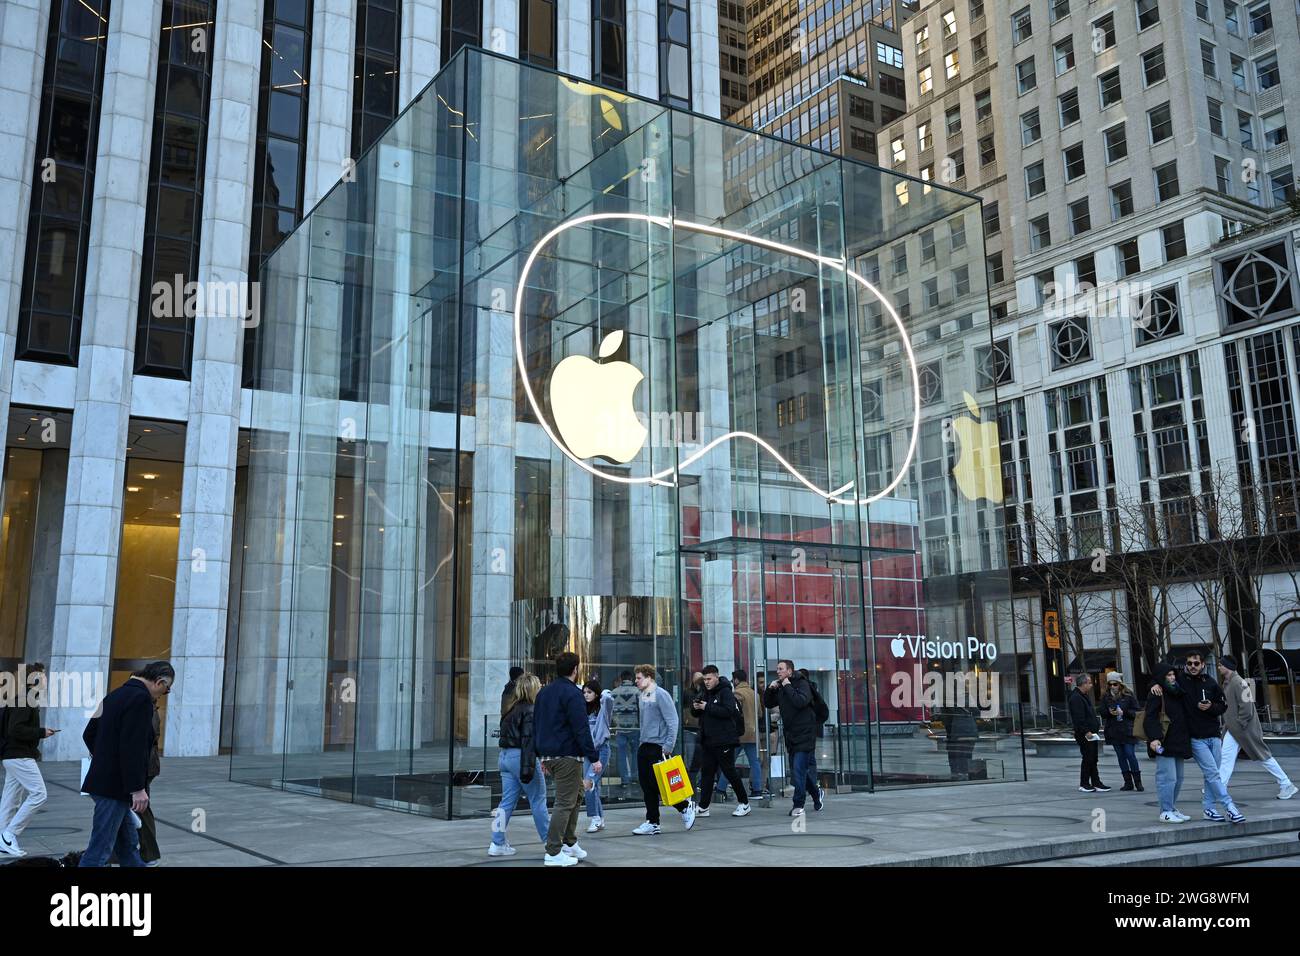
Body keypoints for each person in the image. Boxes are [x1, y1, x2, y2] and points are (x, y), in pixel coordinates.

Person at [80, 661, 174, 868]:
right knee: (99, 852)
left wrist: (105, 758)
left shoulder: (113, 695)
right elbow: (133, 747)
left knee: (128, 848)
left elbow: (89, 733)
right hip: (116, 787)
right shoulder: (141, 700)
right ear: (159, 682)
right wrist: (137, 788)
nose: (162, 695)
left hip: (106, 783)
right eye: (166, 690)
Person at [533, 652, 602, 866]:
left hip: (551, 755)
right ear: (575, 669)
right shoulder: (573, 694)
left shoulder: (544, 693)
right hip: (567, 756)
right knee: (565, 802)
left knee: (576, 795)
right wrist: (594, 757)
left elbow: (537, 724)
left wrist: (541, 756)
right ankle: (553, 851)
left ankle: (569, 842)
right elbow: (581, 729)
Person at [1170, 649, 1242, 823]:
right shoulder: (1180, 680)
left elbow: (1222, 705)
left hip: (1214, 735)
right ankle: (1229, 807)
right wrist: (1156, 685)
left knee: (1212, 774)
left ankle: (1208, 808)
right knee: (1212, 773)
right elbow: (1162, 679)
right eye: (1189, 663)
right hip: (1195, 737)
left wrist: (1210, 707)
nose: (1192, 666)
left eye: (1196, 663)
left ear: (1203, 664)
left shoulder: (1210, 682)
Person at [1217, 655, 1296, 800]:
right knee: (1226, 758)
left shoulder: (1239, 682)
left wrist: (1239, 724)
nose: (1219, 667)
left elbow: (1247, 708)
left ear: (1227, 666)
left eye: (1221, 665)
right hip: (1235, 729)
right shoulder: (1229, 682)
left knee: (1263, 757)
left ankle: (1286, 783)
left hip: (1244, 729)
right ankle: (1219, 789)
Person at [489, 672, 549, 857]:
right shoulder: (531, 710)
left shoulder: (510, 709)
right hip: (521, 756)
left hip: (505, 757)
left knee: (505, 802)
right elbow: (529, 742)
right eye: (538, 686)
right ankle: (551, 843)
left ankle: (496, 842)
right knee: (538, 799)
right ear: (533, 689)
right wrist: (537, 762)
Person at [631, 664, 696, 834]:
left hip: (658, 746)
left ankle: (684, 807)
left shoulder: (661, 694)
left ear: (649, 677)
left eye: (639, 678)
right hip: (645, 745)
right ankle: (653, 822)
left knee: (659, 783)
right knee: (647, 786)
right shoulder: (643, 696)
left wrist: (668, 745)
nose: (636, 681)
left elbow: (673, 720)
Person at [0, 663, 56, 858]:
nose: (46, 681)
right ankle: (9, 835)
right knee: (39, 794)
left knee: (10, 800)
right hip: (19, 756)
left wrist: (41, 732)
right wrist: (41, 732)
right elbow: (15, 729)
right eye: (44, 677)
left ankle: (2, 840)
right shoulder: (25, 700)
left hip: (13, 756)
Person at [691, 665, 752, 819]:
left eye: (709, 679)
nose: (706, 682)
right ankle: (703, 807)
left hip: (724, 740)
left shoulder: (726, 691)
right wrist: (696, 707)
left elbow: (728, 711)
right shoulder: (705, 692)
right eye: (704, 679)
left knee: (729, 771)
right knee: (707, 774)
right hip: (708, 740)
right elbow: (698, 713)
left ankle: (744, 803)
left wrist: (707, 707)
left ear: (717, 677)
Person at [763, 659, 821, 816]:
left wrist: (787, 685)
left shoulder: (802, 684)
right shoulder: (781, 687)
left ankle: (798, 805)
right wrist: (770, 689)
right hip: (791, 735)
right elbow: (768, 703)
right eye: (777, 669)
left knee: (798, 769)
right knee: (799, 772)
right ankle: (816, 795)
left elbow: (800, 701)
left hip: (805, 734)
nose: (778, 671)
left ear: (790, 671)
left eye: (781, 669)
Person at [1146, 661, 1193, 823]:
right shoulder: (1157, 693)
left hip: (1179, 740)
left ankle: (1171, 807)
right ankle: (1165, 811)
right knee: (1167, 777)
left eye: (1173, 674)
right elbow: (1150, 717)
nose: (1172, 677)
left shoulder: (1178, 691)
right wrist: (1154, 738)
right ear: (1161, 677)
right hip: (1164, 742)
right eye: (1168, 675)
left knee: (1178, 778)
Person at [715, 669, 764, 801]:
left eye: (733, 680)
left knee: (729, 762)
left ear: (736, 680)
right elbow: (759, 714)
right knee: (755, 762)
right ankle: (757, 789)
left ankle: (720, 788)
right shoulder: (755, 694)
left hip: (739, 734)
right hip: (753, 733)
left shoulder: (736, 694)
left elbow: (731, 712)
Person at [1067, 674, 1110, 793]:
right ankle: (1084, 783)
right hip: (1086, 734)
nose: (1091, 685)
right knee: (1088, 758)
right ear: (1083, 684)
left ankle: (1096, 782)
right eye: (1089, 683)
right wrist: (1086, 731)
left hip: (1091, 733)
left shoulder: (1083, 696)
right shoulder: (1076, 698)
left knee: (1093, 758)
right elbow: (1078, 718)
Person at [1101, 673, 1142, 792]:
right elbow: (1102, 712)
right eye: (1110, 684)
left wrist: (1124, 712)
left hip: (1127, 729)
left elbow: (1137, 712)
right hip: (1114, 731)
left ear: (1120, 684)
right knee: (1121, 757)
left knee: (1130, 754)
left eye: (1115, 684)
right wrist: (1109, 712)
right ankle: (1128, 782)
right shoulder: (1106, 697)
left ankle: (1138, 782)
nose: (1113, 686)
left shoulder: (1128, 695)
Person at [582, 679, 613, 832]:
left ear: (596, 693)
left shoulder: (603, 708)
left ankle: (594, 818)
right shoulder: (583, 709)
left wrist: (602, 693)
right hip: (588, 753)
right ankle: (599, 819)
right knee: (593, 786)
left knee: (588, 784)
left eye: (589, 692)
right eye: (584, 692)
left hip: (602, 750)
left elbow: (608, 697)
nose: (586, 695)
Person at [136, 701, 163, 865]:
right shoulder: (144, 706)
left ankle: (150, 854)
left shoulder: (147, 708)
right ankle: (115, 854)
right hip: (143, 765)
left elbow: (147, 738)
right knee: (127, 810)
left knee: (140, 809)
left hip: (144, 766)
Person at [609, 671, 640, 791]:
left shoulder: (614, 692)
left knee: (621, 754)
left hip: (620, 727)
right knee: (635, 753)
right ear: (631, 678)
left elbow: (610, 711)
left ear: (621, 678)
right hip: (634, 727)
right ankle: (635, 778)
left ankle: (624, 780)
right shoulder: (638, 692)